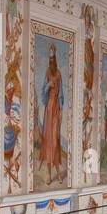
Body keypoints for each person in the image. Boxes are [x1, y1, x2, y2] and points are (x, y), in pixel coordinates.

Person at [39, 46, 65, 185]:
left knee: (55, 141)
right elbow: (43, 91)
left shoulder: (59, 74)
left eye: (53, 59)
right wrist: (48, 85)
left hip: (55, 109)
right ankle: (49, 174)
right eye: (50, 59)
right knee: (49, 140)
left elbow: (61, 94)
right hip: (49, 108)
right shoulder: (47, 72)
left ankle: (58, 172)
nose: (51, 61)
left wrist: (60, 110)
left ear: (55, 59)